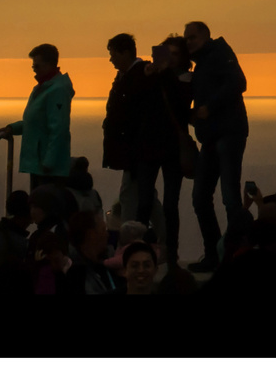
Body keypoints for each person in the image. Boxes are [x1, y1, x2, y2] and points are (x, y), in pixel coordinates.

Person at [184, 20, 250, 272]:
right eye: (186, 38)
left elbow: (238, 83)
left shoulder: (220, 53)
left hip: (228, 134)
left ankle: (235, 256)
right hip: (213, 136)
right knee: (201, 198)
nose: (188, 41)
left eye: (192, 37)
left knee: (229, 197)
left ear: (205, 36)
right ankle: (216, 256)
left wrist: (209, 107)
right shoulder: (202, 62)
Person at [102, 33, 168, 242]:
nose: (111, 59)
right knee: (147, 196)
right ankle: (166, 241)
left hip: (138, 150)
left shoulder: (142, 76)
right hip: (135, 150)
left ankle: (129, 244)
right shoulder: (129, 76)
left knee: (130, 196)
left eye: (113, 54)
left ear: (126, 53)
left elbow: (143, 115)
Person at [0, 43, 74, 188]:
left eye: (36, 66)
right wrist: (12, 128)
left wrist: (49, 161)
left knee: (46, 205)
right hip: (40, 163)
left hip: (48, 168)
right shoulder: (42, 88)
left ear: (49, 64)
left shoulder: (57, 90)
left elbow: (59, 128)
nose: (34, 70)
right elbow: (36, 121)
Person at [146, 35, 192, 266]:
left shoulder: (186, 79)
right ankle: (143, 250)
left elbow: (180, 104)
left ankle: (171, 252)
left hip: (174, 147)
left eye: (176, 54)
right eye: (168, 53)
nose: (171, 59)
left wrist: (162, 73)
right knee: (144, 199)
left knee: (170, 203)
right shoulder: (157, 77)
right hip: (153, 144)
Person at [64, 210, 118, 294]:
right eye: (103, 230)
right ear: (91, 234)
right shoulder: (76, 275)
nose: (107, 235)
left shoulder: (109, 264)